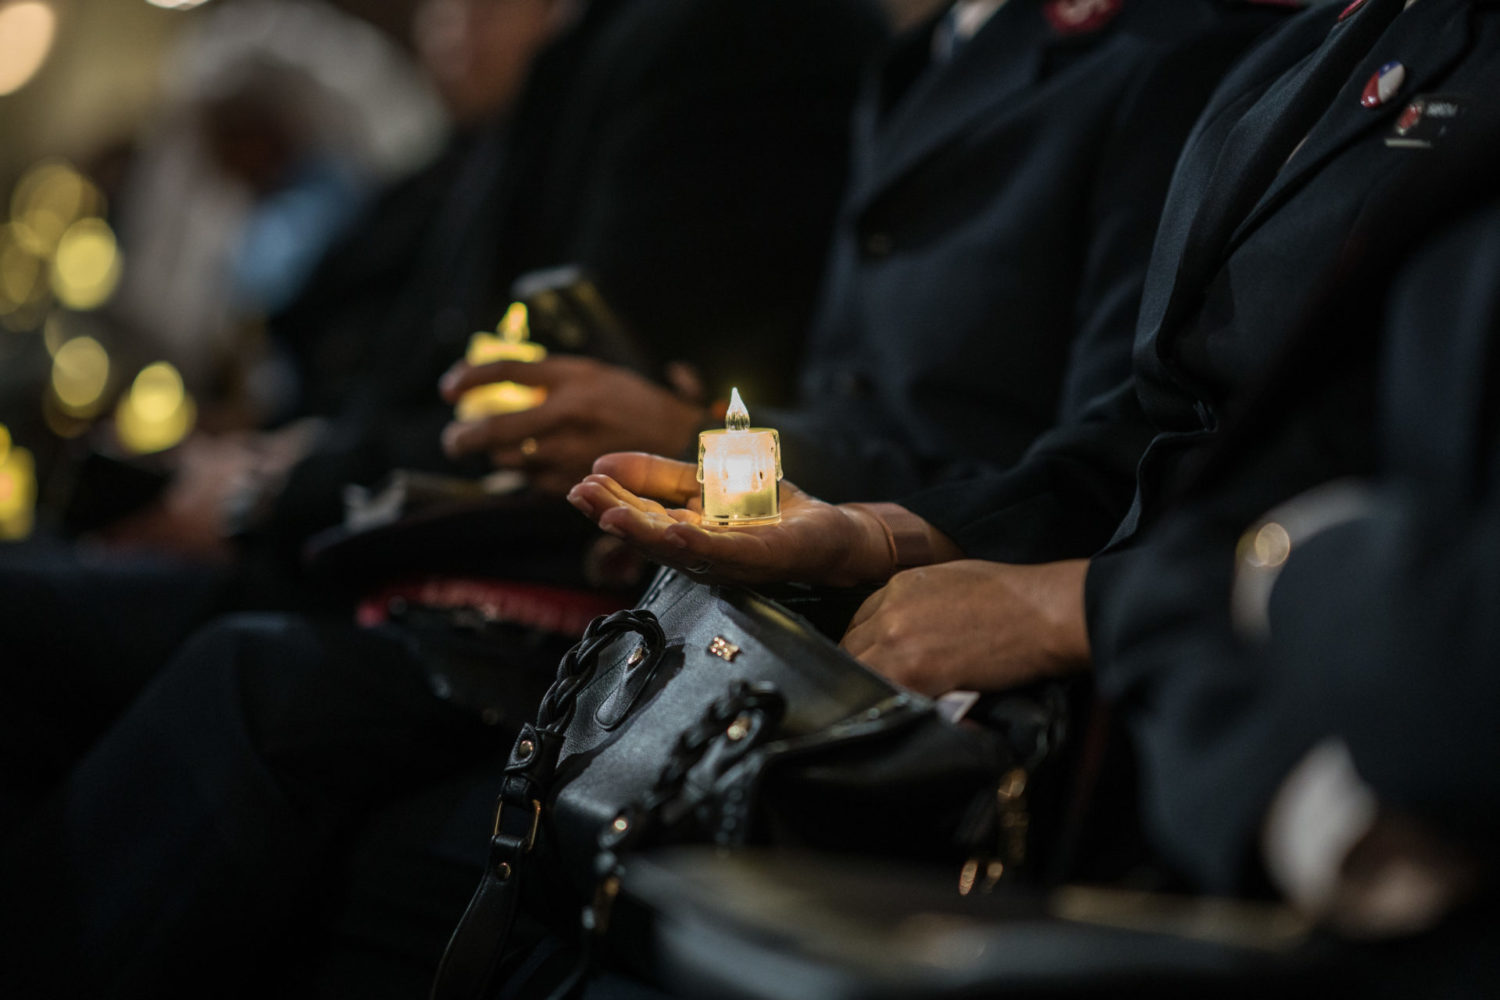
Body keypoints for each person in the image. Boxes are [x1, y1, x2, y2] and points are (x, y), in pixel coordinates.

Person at [569, 0, 1500, 704]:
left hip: (1308, 704)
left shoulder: (1186, 45)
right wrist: (876, 534)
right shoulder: (1315, 45)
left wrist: (1074, 607)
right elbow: (1145, 435)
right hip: (1158, 668)